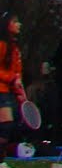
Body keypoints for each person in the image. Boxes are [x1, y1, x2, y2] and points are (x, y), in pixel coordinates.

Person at [0, 12, 28, 157]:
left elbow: (16, 71)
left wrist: (19, 91)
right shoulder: (2, 44)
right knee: (6, 125)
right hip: (1, 90)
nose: (19, 24)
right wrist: (11, 79)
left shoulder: (14, 46)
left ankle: (2, 161)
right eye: (15, 21)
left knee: (11, 126)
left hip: (9, 91)